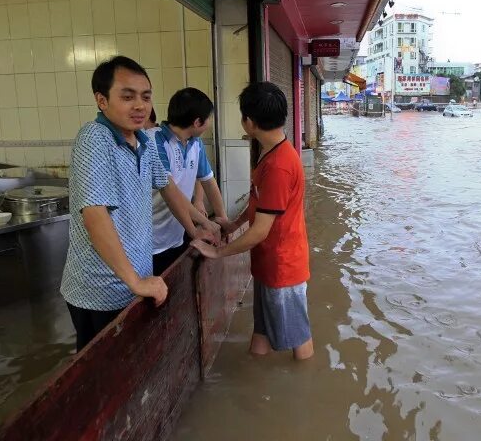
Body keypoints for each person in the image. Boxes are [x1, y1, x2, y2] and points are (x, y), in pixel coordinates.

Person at [60, 56, 214, 352]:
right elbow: (95, 214)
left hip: (134, 282)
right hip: (100, 290)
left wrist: (196, 231)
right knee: (101, 377)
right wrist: (135, 281)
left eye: (145, 97)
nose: (140, 106)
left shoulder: (142, 140)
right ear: (101, 100)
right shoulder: (95, 139)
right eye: (127, 97)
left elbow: (168, 188)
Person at [192, 82, 314, 361]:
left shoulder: (279, 166)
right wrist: (233, 225)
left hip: (283, 267)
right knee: (261, 335)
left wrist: (218, 252)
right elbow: (259, 204)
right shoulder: (270, 154)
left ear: (249, 122)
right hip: (268, 263)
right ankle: (254, 377)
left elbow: (260, 231)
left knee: (300, 343)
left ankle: (302, 391)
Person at [147, 88, 228, 275]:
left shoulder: (195, 143)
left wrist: (222, 220)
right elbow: (170, 193)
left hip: (177, 231)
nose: (209, 124)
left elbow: (208, 181)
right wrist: (201, 226)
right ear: (197, 122)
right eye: (207, 119)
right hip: (151, 239)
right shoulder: (155, 141)